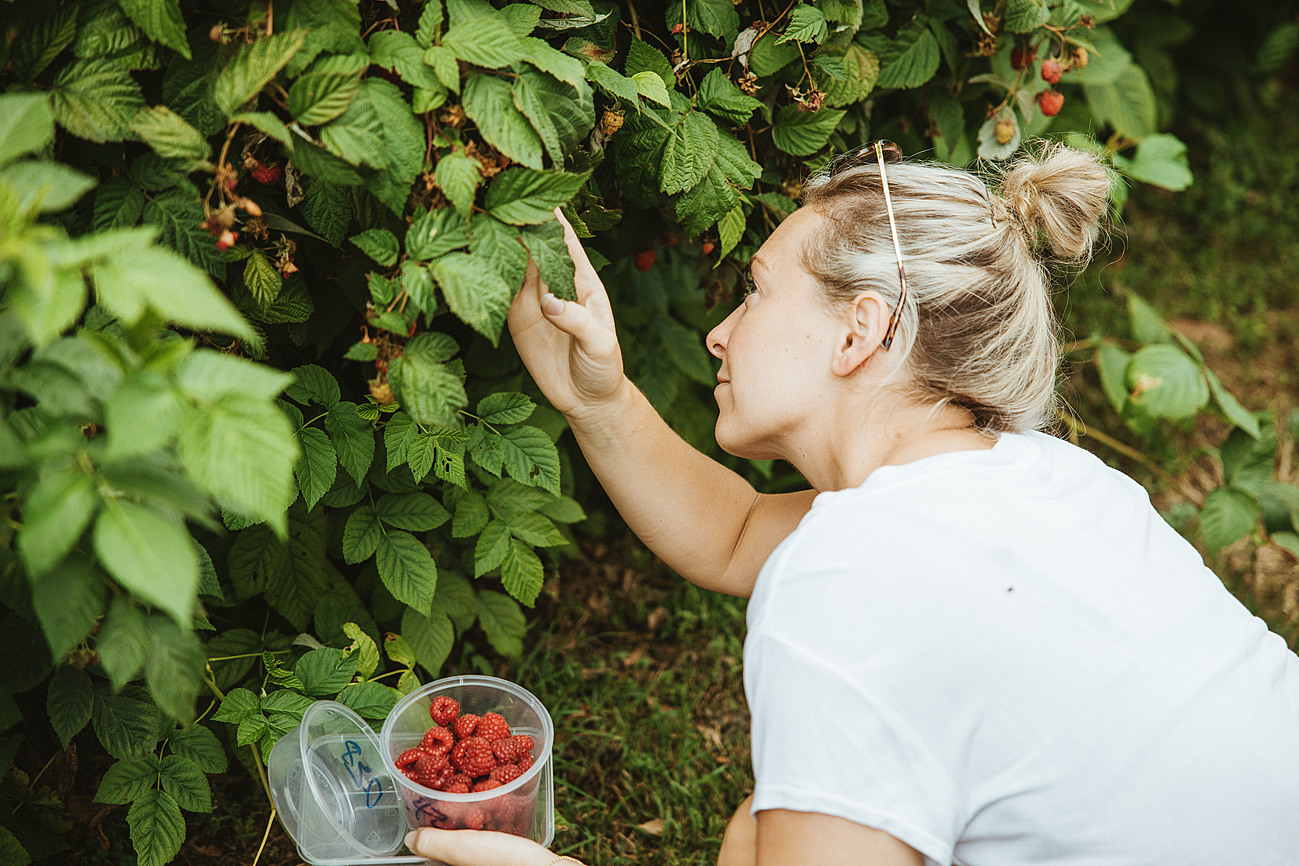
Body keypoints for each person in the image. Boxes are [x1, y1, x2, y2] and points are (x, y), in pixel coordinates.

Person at [405, 142, 1299, 866]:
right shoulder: (1048, 475)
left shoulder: (847, 582)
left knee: (752, 837)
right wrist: (597, 399)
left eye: (754, 290)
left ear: (858, 330)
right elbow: (734, 533)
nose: (720, 330)